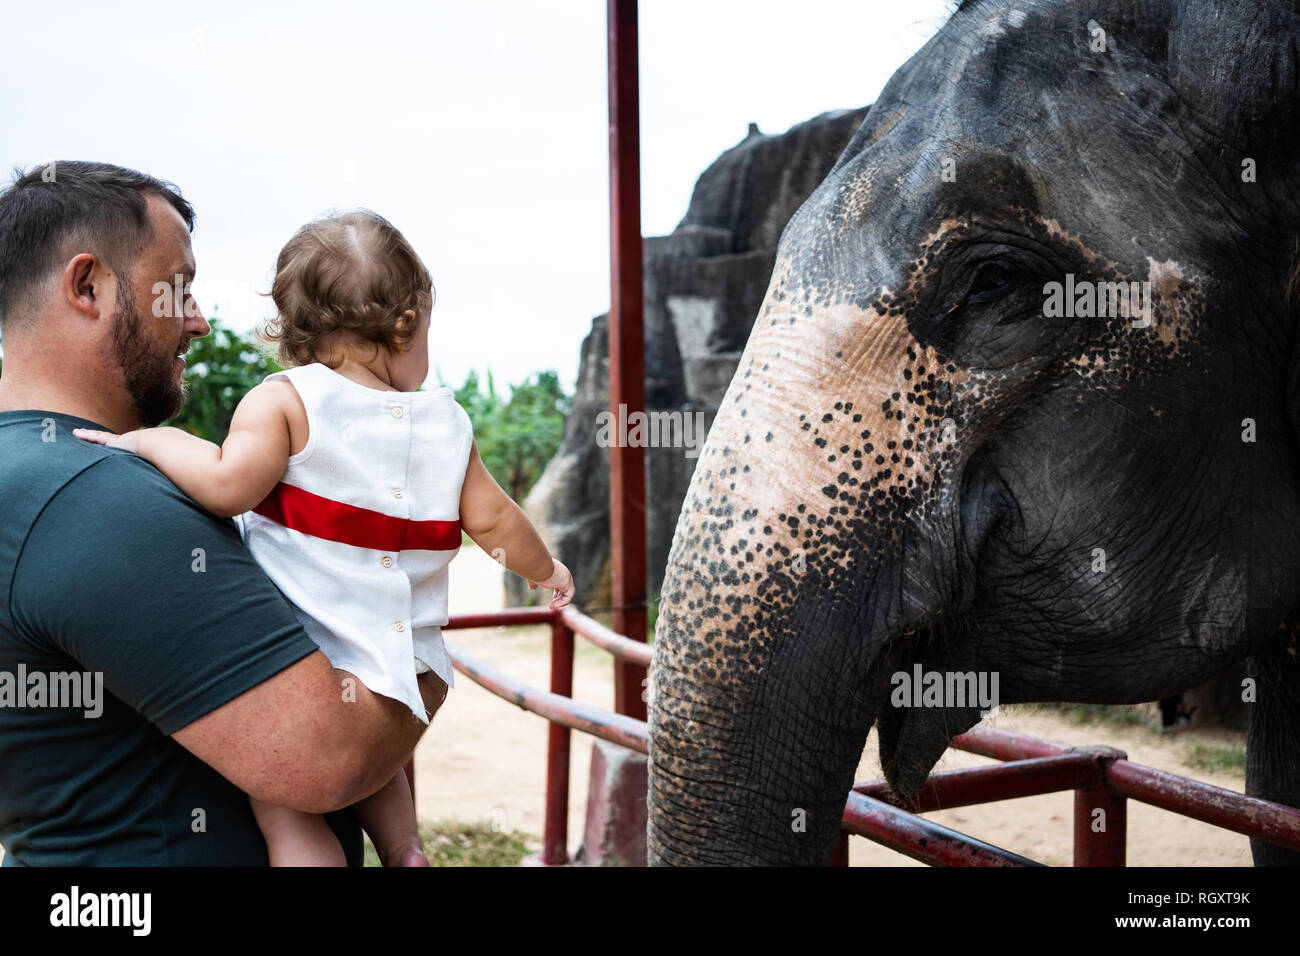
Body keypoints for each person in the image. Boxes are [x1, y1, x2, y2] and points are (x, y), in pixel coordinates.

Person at [75, 208, 576, 866]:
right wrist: (549, 574)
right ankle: (405, 849)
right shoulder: (445, 423)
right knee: (376, 767)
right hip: (414, 679)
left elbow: (228, 485)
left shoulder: (283, 402)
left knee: (284, 807)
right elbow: (497, 522)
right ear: (405, 324)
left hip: (320, 679)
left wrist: (152, 441)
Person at [0, 162, 446, 865]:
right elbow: (333, 758)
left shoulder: (25, 472)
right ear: (88, 286)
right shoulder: (97, 498)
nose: (200, 322)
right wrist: (422, 631)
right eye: (178, 289)